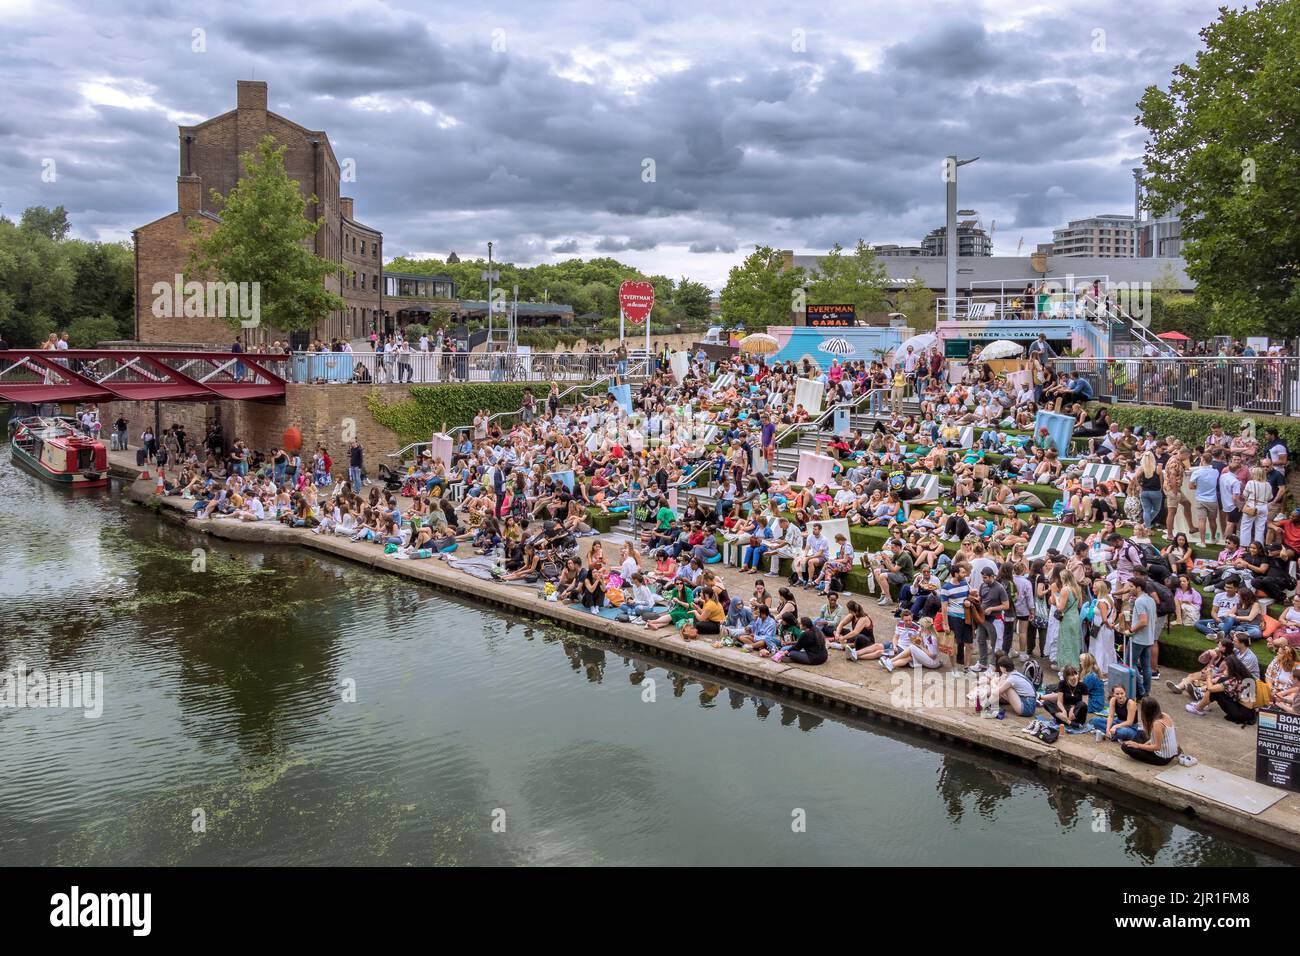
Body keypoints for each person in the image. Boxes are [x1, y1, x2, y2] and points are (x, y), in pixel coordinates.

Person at [1121, 697, 1180, 766]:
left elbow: (1157, 747)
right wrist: (1143, 745)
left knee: (1125, 747)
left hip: (1163, 758)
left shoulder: (1157, 724)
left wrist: (1138, 746)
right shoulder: (1165, 715)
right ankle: (1139, 746)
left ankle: (1138, 747)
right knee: (1140, 733)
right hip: (1171, 753)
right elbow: (1155, 738)